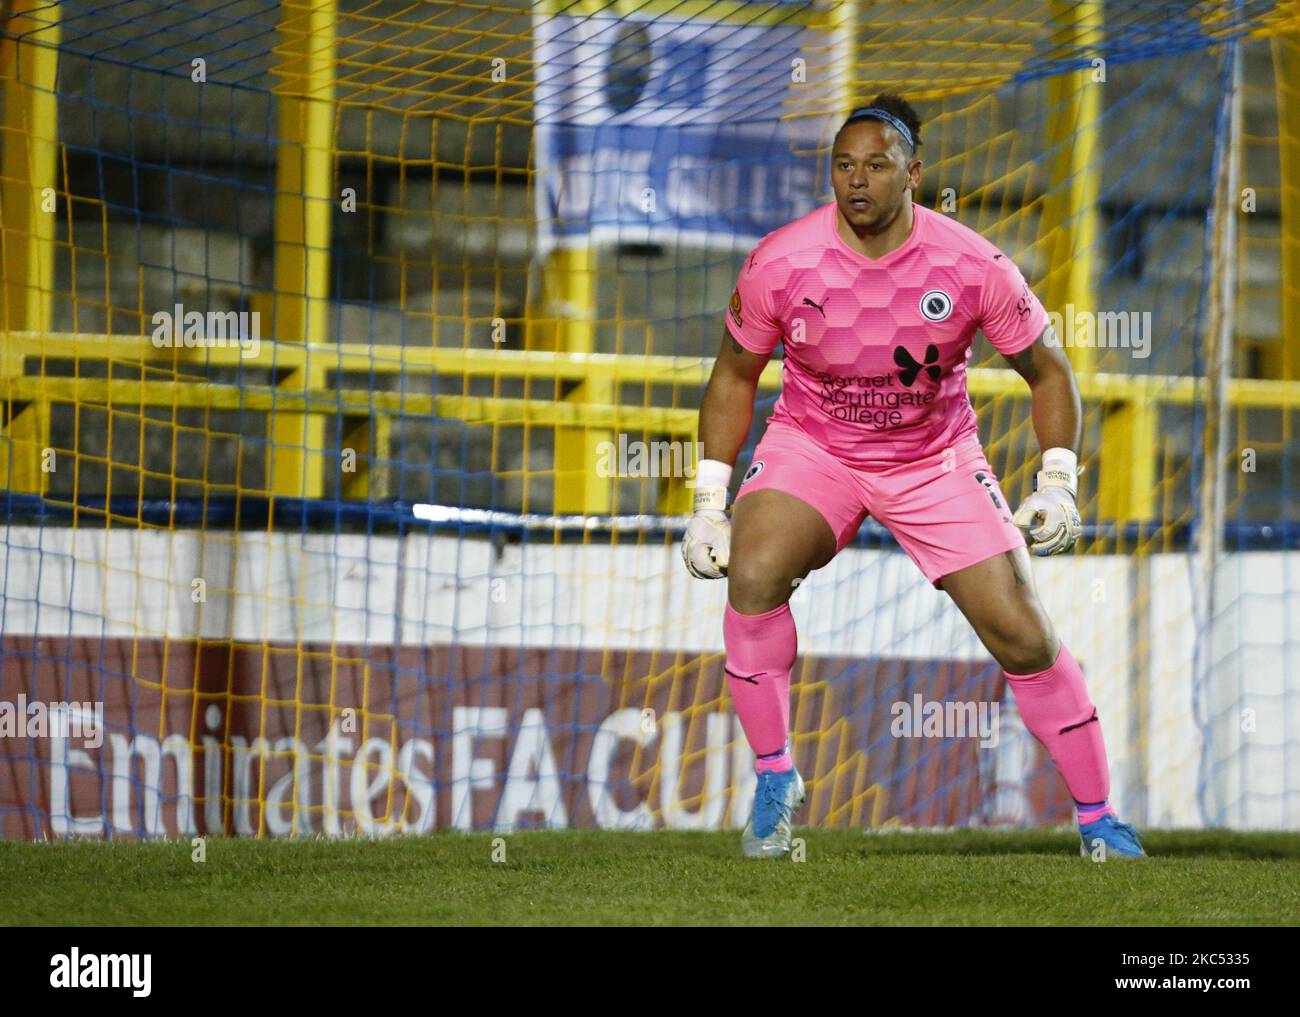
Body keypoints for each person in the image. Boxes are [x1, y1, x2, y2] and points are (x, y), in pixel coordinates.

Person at [682, 93, 1145, 861]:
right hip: (814, 448)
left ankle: (1099, 820)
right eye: (843, 166)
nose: (856, 181)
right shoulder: (782, 259)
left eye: (876, 165)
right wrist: (708, 502)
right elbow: (734, 375)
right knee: (754, 573)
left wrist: (1058, 480)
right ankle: (774, 777)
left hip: (934, 461)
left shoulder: (972, 263)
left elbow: (1049, 370)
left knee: (1023, 635)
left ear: (914, 175)